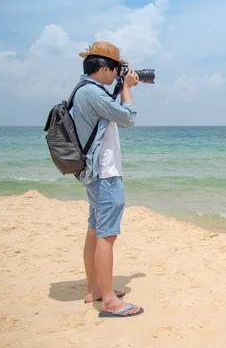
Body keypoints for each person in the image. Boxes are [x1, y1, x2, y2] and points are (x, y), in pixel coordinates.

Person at [71, 41, 144, 318]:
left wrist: (119, 85)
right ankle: (110, 301)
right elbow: (128, 118)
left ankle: (94, 289)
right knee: (107, 235)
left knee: (95, 229)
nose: (117, 75)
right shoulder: (91, 92)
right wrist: (126, 88)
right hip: (105, 173)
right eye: (115, 71)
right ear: (104, 68)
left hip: (94, 173)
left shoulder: (86, 91)